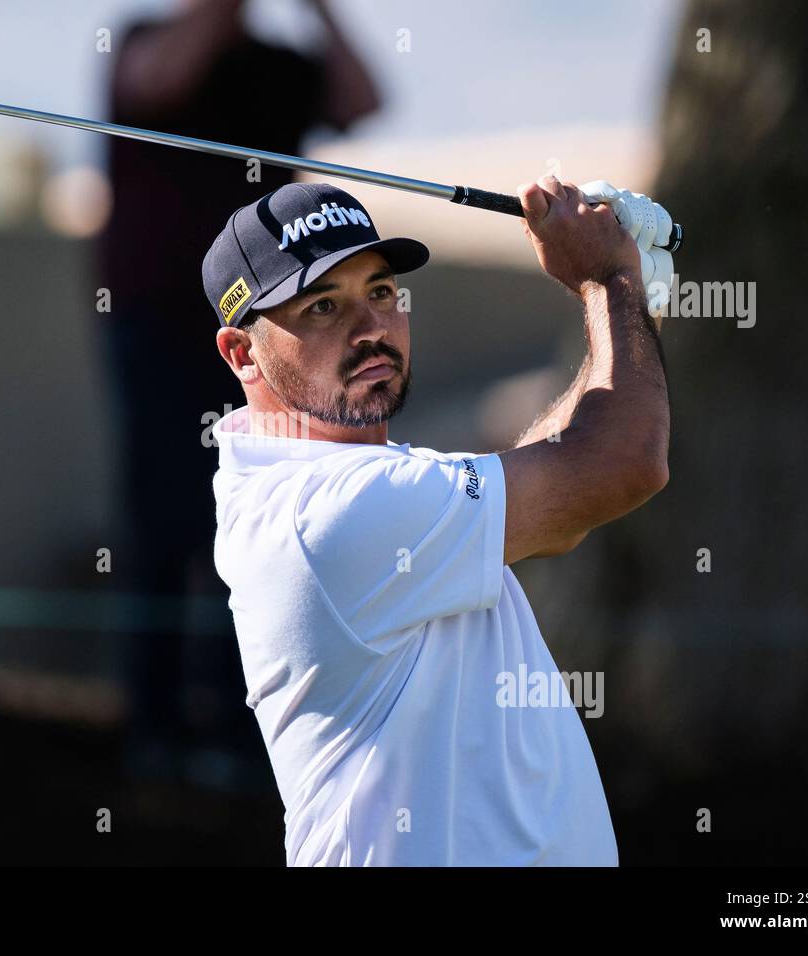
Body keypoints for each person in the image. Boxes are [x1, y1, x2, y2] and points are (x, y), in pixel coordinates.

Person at [202, 178, 673, 864]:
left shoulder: (352, 481)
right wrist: (609, 278)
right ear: (242, 353)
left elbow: (560, 508)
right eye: (325, 305)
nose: (370, 328)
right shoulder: (328, 512)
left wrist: (633, 309)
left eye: (381, 292)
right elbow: (622, 464)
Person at [96, 0, 380, 787]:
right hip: (156, 321)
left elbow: (362, 101)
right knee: (164, 518)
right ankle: (151, 724)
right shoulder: (145, 39)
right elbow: (163, 81)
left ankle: (237, 724)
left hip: (268, 331)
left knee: (263, 515)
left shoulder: (280, 65)